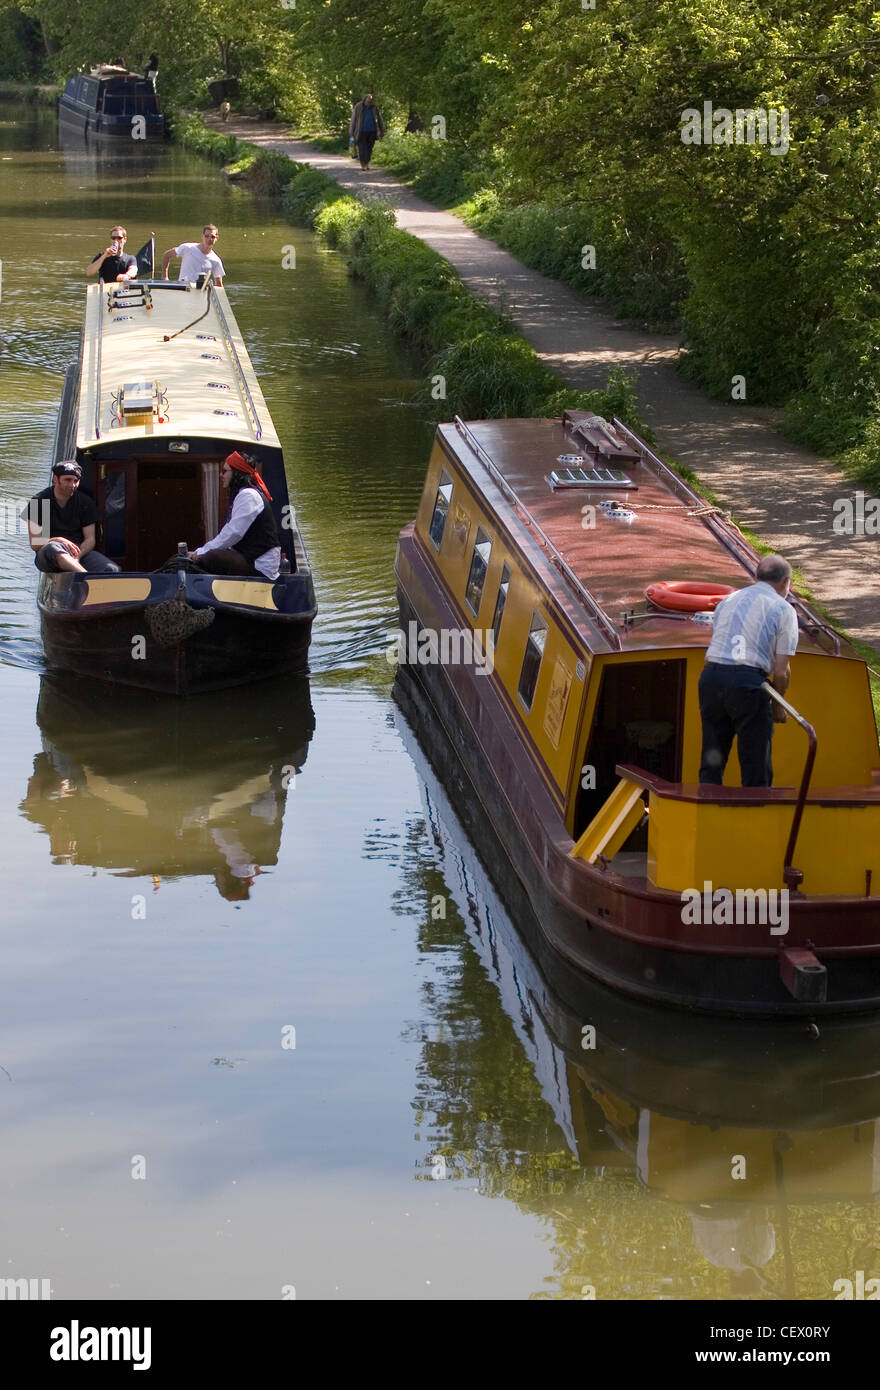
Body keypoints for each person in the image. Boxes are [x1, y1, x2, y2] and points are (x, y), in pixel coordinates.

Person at [698, 554, 799, 787]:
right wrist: (778, 708)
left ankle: (707, 811)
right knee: (755, 762)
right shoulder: (783, 609)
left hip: (711, 679)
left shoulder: (728, 601)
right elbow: (781, 671)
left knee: (712, 757)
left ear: (757, 577)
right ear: (785, 582)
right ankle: (756, 813)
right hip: (747, 684)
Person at [188, 452, 282, 579]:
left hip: (259, 565)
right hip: (250, 557)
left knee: (211, 558)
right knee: (207, 558)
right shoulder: (244, 494)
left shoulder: (249, 496)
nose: (221, 475)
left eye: (225, 471)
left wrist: (201, 552)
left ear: (237, 473)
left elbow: (234, 533)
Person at [25, 461, 119, 575]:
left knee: (112, 569)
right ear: (56, 479)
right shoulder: (40, 501)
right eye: (67, 480)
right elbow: (35, 543)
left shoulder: (85, 502)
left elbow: (90, 539)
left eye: (75, 481)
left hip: (77, 550)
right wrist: (59, 540)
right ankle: (87, 578)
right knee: (54, 548)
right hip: (48, 552)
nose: (72, 485)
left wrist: (78, 555)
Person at [161, 225, 225, 286]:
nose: (209, 239)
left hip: (200, 293)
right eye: (207, 236)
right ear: (202, 236)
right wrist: (165, 277)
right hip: (182, 289)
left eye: (212, 237)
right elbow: (166, 255)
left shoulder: (216, 260)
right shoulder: (187, 248)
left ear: (216, 238)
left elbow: (219, 285)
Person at [349, 93, 385, 170]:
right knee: (362, 149)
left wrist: (382, 130)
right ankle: (363, 165)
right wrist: (351, 132)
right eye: (368, 101)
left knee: (369, 149)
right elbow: (353, 119)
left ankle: (367, 163)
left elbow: (379, 119)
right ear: (365, 100)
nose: (369, 103)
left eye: (371, 101)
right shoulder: (358, 107)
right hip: (361, 131)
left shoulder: (374, 107)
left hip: (372, 131)